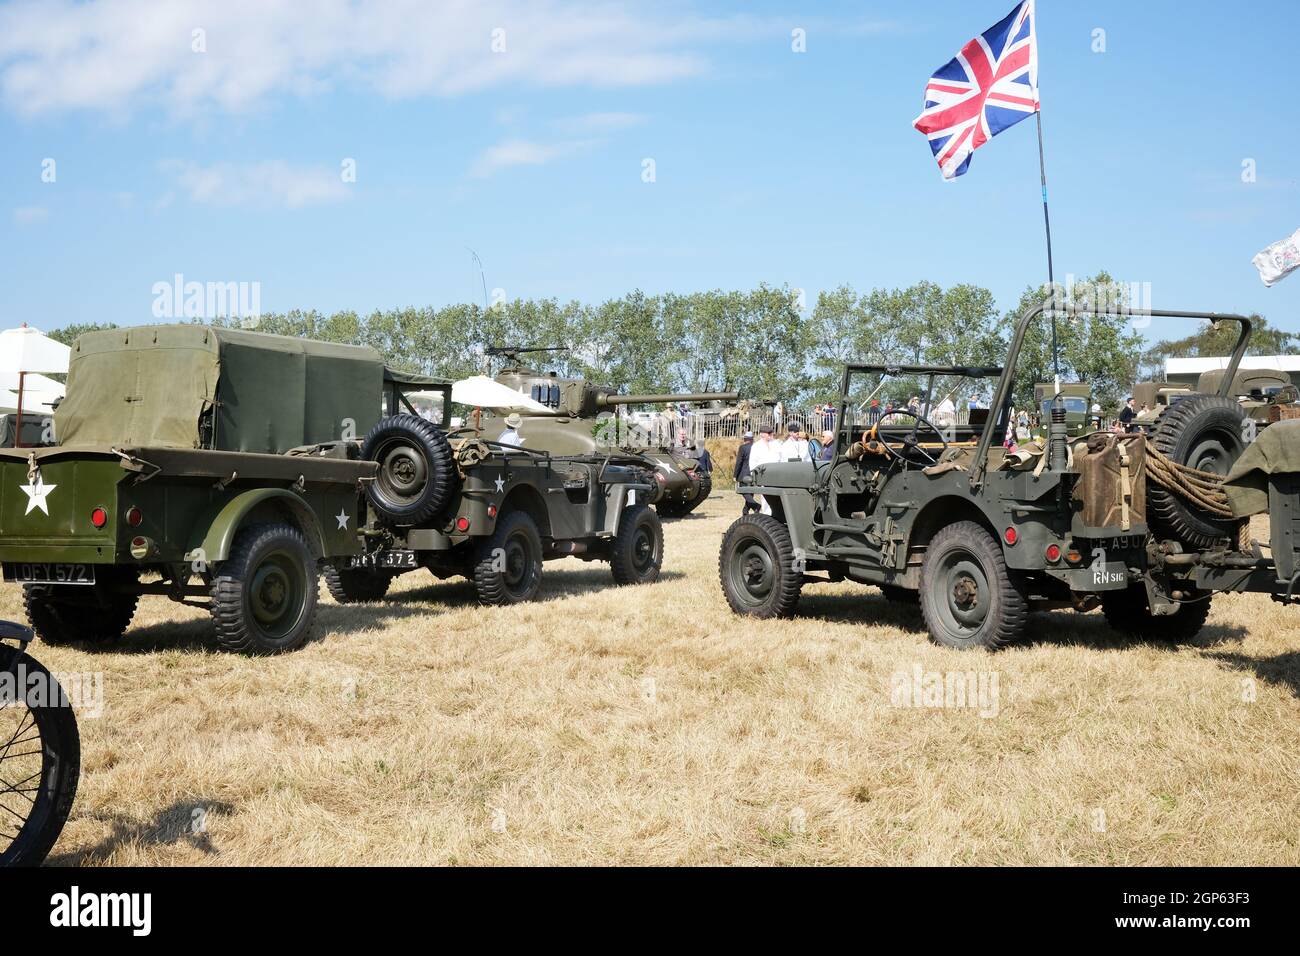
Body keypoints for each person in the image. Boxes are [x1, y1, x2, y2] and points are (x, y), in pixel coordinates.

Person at [747, 425, 783, 514]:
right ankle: (767, 514)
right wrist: (754, 476)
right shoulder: (756, 446)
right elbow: (753, 462)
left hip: (777, 473)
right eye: (769, 434)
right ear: (762, 434)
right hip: (763, 475)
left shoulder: (776, 444)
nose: (771, 435)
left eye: (771, 433)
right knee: (766, 498)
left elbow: (782, 458)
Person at [734, 431, 758, 514]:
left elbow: (739, 462)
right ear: (752, 439)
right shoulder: (756, 447)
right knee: (750, 492)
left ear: (745, 439)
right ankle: (745, 511)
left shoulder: (743, 448)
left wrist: (735, 475)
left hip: (744, 473)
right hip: (754, 472)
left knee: (744, 491)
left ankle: (755, 506)